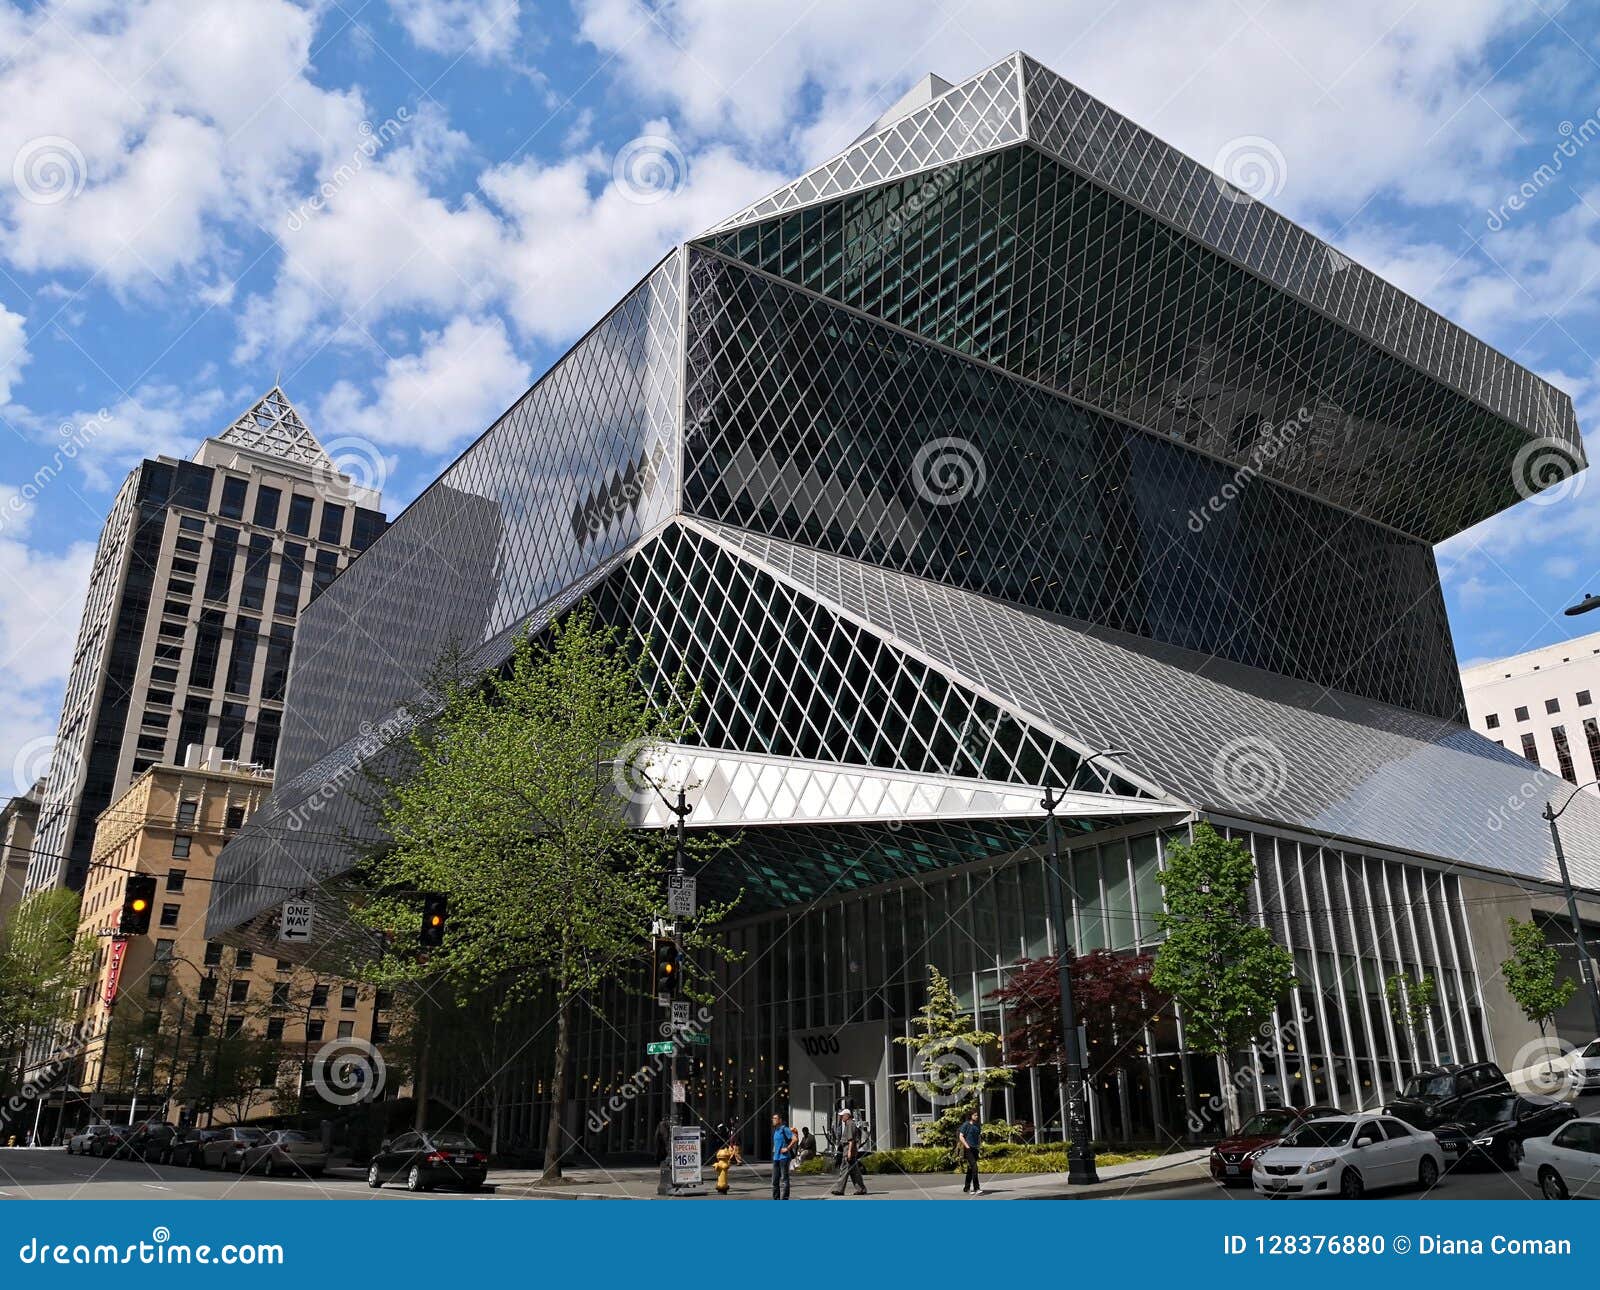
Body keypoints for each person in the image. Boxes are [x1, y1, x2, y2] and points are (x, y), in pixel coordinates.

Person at [829, 1108, 868, 1196]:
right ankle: (861, 1189)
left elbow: (851, 1140)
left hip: (848, 1151)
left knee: (844, 1170)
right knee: (854, 1172)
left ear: (847, 1115)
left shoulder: (850, 1124)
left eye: (843, 1115)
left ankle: (840, 1190)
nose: (841, 1117)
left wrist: (849, 1152)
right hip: (850, 1151)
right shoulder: (850, 1124)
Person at [770, 1113, 795, 1200]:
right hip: (776, 1158)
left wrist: (787, 1149)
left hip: (784, 1158)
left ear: (780, 1120)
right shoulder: (776, 1130)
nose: (773, 1120)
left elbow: (795, 1139)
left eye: (775, 1118)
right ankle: (776, 1199)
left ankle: (784, 1199)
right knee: (774, 1181)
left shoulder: (784, 1129)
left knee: (784, 1180)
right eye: (773, 1118)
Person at [959, 1109, 983, 1194]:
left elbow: (979, 1137)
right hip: (968, 1149)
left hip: (975, 1149)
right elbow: (961, 1136)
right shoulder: (966, 1125)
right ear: (971, 1116)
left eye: (977, 1115)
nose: (977, 1117)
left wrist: (979, 1147)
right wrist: (967, 1146)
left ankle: (966, 1188)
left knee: (970, 1169)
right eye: (975, 1115)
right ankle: (977, 1188)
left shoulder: (977, 1126)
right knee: (975, 1168)